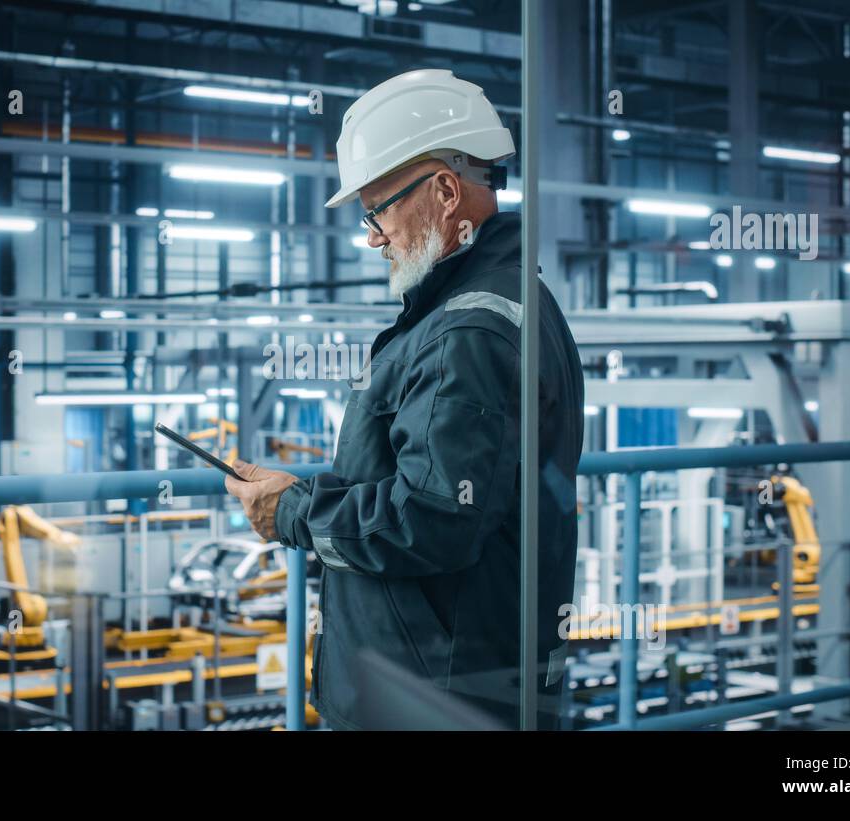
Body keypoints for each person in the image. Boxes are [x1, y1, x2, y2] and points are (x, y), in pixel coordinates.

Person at [225, 69, 584, 730]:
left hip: (434, 701)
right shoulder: (494, 306)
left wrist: (296, 511)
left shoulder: (468, 332)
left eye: (378, 209)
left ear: (445, 191)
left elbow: (434, 518)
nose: (372, 236)